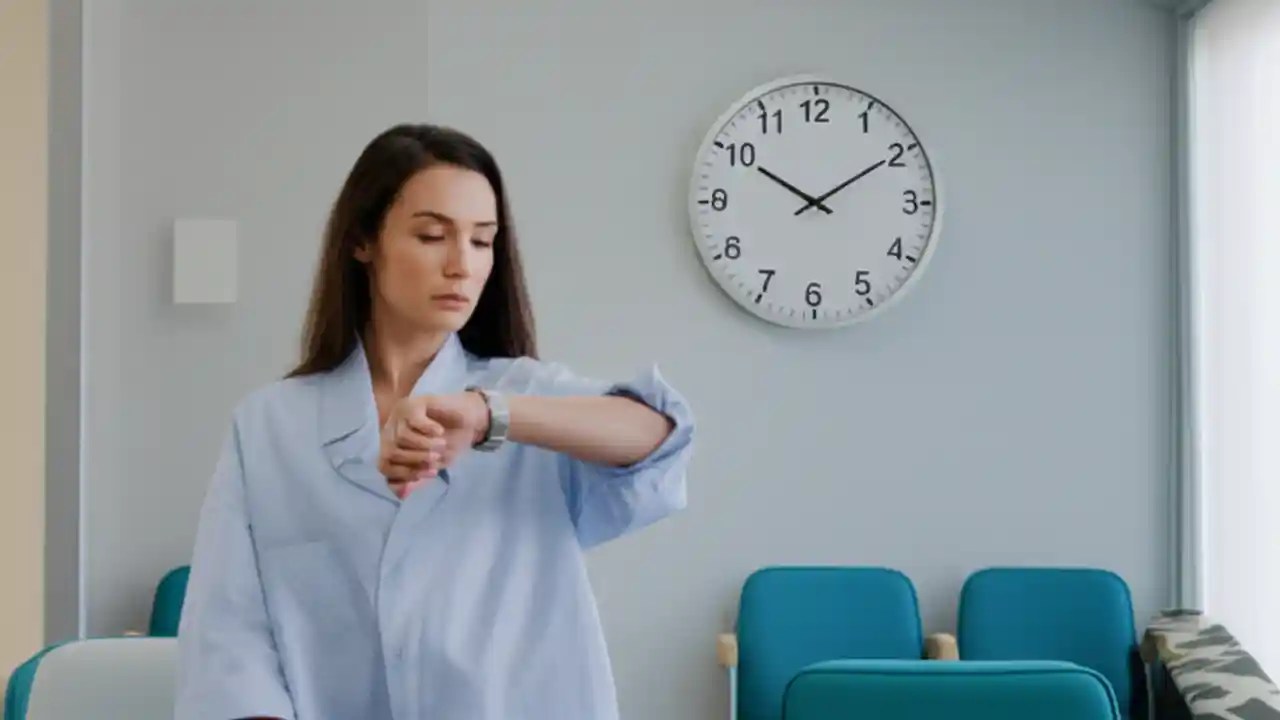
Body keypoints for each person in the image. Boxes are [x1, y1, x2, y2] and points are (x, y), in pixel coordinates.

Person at [174, 124, 695, 720]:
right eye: (431, 235)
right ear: (363, 240)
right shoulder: (269, 427)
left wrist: (485, 414)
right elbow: (230, 638)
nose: (461, 266)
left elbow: (659, 439)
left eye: (482, 241)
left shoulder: (527, 398)